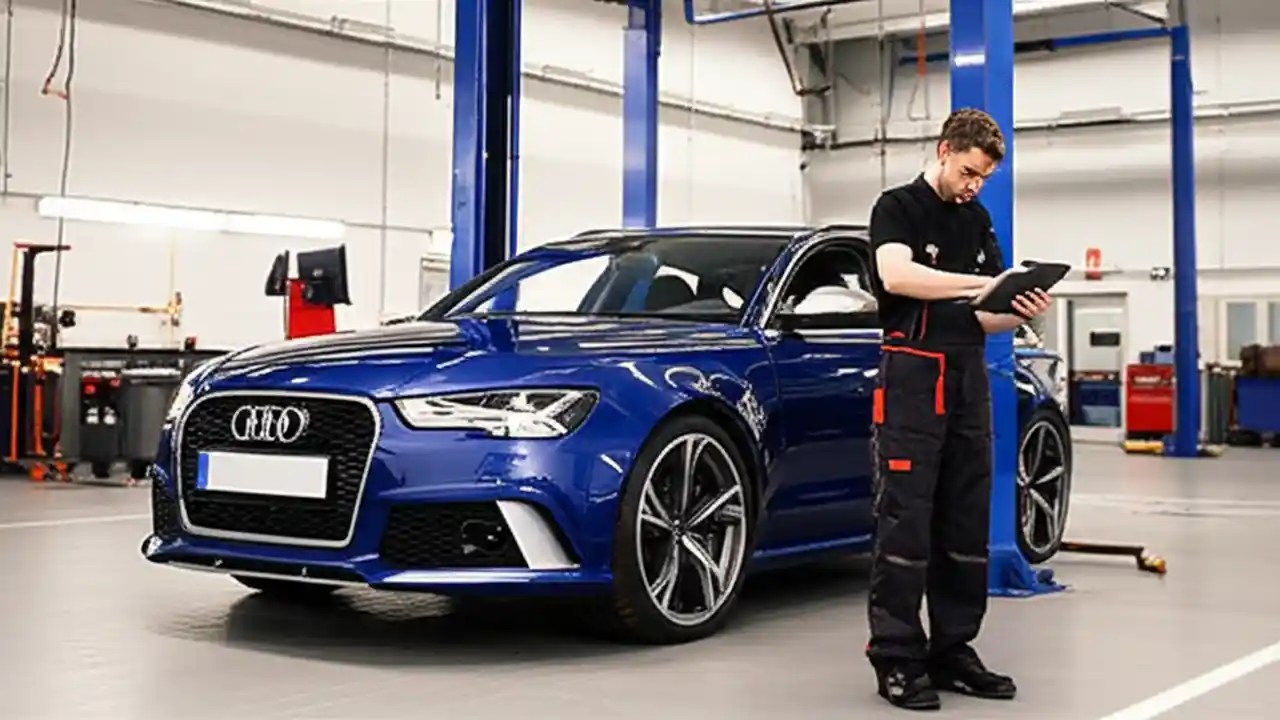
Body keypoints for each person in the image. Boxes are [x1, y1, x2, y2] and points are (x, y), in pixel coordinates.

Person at [864, 108, 1052, 711]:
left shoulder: (977, 220)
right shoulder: (897, 206)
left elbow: (985, 316)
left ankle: (953, 650)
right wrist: (976, 284)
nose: (974, 186)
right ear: (946, 150)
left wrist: (1020, 308)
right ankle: (896, 655)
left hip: (969, 377)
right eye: (969, 172)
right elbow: (896, 276)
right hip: (913, 378)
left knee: (964, 521)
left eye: (984, 178)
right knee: (906, 523)